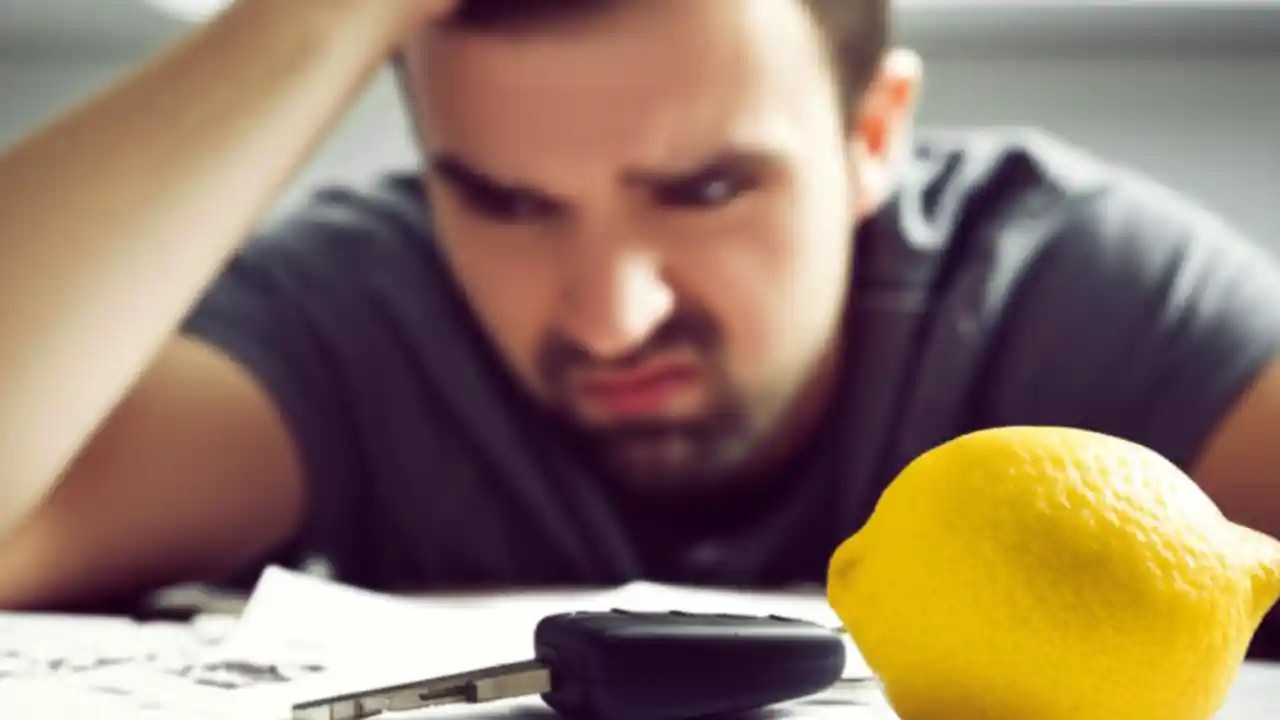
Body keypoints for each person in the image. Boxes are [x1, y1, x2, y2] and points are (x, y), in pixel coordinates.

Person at [0, 0, 1278, 612]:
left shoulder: (1066, 285)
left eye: (708, 188)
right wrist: (320, 21)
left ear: (872, 134)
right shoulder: (359, 313)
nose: (609, 317)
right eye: (504, 203)